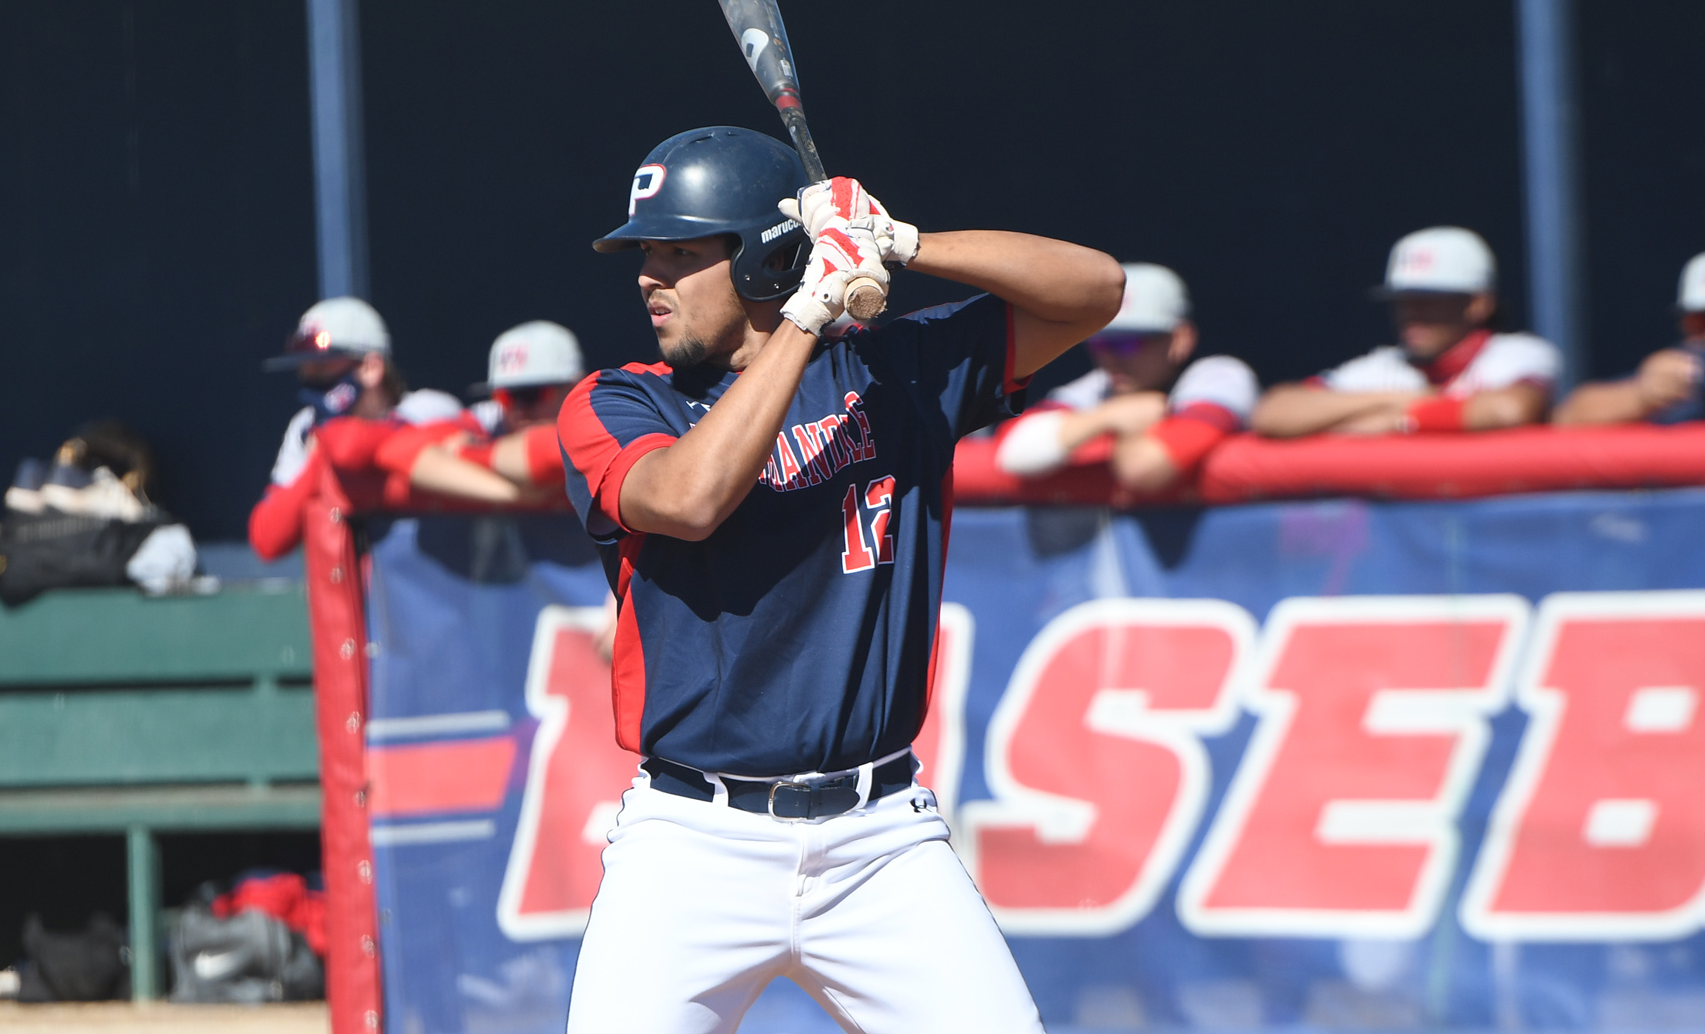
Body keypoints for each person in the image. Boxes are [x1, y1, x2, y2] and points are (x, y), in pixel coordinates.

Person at [556, 126, 1123, 1033]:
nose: (648, 274)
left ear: (760, 258)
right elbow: (691, 497)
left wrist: (900, 241)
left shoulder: (892, 372)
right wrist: (809, 315)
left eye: (679, 250)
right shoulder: (620, 400)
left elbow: (1098, 290)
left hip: (881, 841)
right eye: (644, 252)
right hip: (692, 841)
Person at [1252, 226, 1560, 436]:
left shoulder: (1517, 353)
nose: (1411, 315)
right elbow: (1274, 411)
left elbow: (1510, 410)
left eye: (1427, 300)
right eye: (1403, 301)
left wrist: (1392, 421)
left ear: (1478, 304)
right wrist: (1402, 400)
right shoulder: (1385, 367)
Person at [994, 262, 1257, 493]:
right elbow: (1010, 451)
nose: (1110, 358)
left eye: (1129, 343)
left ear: (1180, 339)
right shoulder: (1101, 386)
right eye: (1101, 344)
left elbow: (1143, 470)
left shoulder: (1220, 375)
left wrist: (1116, 425)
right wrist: (1109, 417)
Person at [248, 297, 460, 560]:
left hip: (429, 587)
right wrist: (318, 464)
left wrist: (326, 449)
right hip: (351, 590)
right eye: (306, 368)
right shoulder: (305, 426)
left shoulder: (430, 410)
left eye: (323, 366)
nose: (311, 380)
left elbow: (352, 449)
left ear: (371, 368)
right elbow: (267, 539)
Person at [372, 320, 582, 505]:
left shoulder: (599, 416)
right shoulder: (491, 420)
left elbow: (554, 449)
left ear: (575, 388)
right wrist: (513, 496)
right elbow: (396, 449)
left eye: (530, 395)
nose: (517, 410)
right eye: (505, 397)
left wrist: (465, 454)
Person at [1555, 252, 1705, 425]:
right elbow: (1569, 413)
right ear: (1687, 321)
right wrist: (1640, 395)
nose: (1701, 327)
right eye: (1699, 318)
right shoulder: (1686, 368)